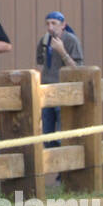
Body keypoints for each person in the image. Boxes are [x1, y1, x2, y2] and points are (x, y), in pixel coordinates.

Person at [36, 11, 83, 148]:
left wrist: (62, 52)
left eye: (54, 23)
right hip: (46, 92)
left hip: (64, 92)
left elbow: (78, 70)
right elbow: (40, 64)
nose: (50, 27)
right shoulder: (44, 40)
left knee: (64, 135)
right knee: (47, 137)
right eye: (48, 23)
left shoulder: (71, 40)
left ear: (63, 25)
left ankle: (64, 167)